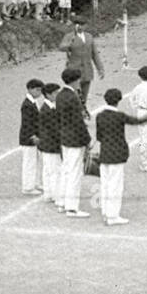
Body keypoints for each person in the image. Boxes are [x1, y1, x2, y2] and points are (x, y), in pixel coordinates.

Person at [94, 87, 145, 226]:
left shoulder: (100, 116)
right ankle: (113, 215)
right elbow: (136, 121)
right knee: (115, 185)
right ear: (118, 100)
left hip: (105, 153)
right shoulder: (119, 116)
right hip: (117, 154)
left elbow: (99, 136)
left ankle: (105, 211)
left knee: (105, 183)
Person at [56, 68, 92, 218]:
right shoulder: (73, 97)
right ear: (75, 80)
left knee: (66, 169)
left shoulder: (60, 95)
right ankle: (72, 208)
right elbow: (78, 122)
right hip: (75, 138)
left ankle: (61, 202)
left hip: (64, 136)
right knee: (75, 173)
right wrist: (87, 139)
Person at [59, 16, 104, 114]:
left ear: (86, 25)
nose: (80, 27)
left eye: (82, 25)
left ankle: (81, 114)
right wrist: (71, 41)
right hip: (74, 71)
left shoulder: (89, 36)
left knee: (84, 95)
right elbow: (61, 47)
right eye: (77, 24)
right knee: (76, 95)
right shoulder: (69, 36)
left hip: (87, 70)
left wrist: (100, 68)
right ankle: (76, 114)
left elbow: (94, 54)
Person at [124, 65, 147, 173]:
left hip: (140, 111)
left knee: (142, 136)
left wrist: (136, 107)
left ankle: (143, 161)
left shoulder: (138, 87)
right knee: (145, 139)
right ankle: (144, 163)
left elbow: (131, 98)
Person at [38, 82, 63, 208]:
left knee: (48, 170)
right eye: (55, 93)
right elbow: (55, 129)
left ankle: (48, 193)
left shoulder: (48, 108)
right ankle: (56, 196)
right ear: (48, 95)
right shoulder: (47, 110)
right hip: (51, 145)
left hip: (46, 145)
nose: (57, 95)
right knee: (55, 171)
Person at [19, 79, 45, 196]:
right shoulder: (27, 105)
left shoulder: (33, 102)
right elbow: (27, 123)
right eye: (37, 90)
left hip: (33, 136)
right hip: (28, 138)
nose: (39, 93)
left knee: (36, 161)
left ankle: (35, 183)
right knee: (29, 162)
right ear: (30, 89)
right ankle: (28, 187)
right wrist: (33, 136)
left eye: (40, 90)